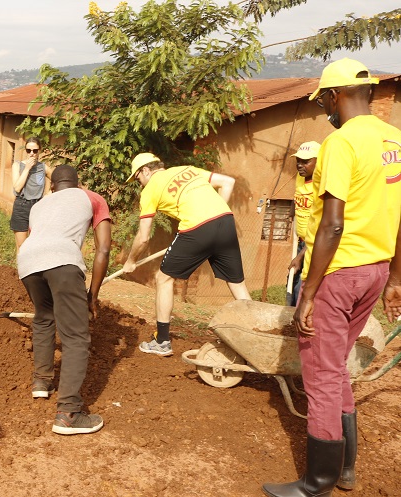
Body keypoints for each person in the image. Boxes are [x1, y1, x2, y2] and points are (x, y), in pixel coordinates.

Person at [263, 58, 401, 497]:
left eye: (323, 99)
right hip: (376, 271)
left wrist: (308, 294)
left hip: (340, 274)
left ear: (335, 95)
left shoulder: (341, 143)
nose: (324, 107)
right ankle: (344, 469)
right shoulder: (395, 140)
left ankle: (316, 482)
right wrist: (395, 279)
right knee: (336, 365)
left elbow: (333, 224)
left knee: (320, 375)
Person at [122, 152, 251, 357]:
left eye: (138, 178)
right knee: (236, 283)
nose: (140, 184)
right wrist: (214, 214)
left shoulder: (150, 190)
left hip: (196, 227)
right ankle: (255, 335)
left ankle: (162, 341)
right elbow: (228, 182)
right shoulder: (186, 170)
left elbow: (143, 237)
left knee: (163, 278)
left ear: (145, 170)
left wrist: (131, 261)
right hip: (225, 221)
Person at [17, 164, 112, 435]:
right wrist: (92, 295)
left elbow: (38, 238)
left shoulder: (39, 205)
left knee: (44, 318)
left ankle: (41, 382)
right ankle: (69, 413)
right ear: (78, 183)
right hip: (63, 261)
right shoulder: (91, 197)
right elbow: (104, 249)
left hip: (27, 261)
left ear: (52, 186)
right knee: (76, 337)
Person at [287, 141, 319, 306]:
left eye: (306, 161)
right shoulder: (300, 177)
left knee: (302, 288)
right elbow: (297, 194)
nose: (300, 165)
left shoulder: (321, 185)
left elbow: (322, 227)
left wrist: (300, 257)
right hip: (301, 242)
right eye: (298, 161)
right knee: (291, 283)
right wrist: (293, 210)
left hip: (315, 245)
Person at [10, 137, 49, 249]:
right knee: (22, 246)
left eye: (35, 151)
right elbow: (17, 188)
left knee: (35, 245)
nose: (32, 153)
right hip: (21, 206)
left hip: (38, 207)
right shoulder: (17, 165)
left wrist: (48, 195)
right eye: (28, 150)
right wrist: (27, 168)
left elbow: (56, 179)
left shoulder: (43, 167)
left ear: (39, 150)